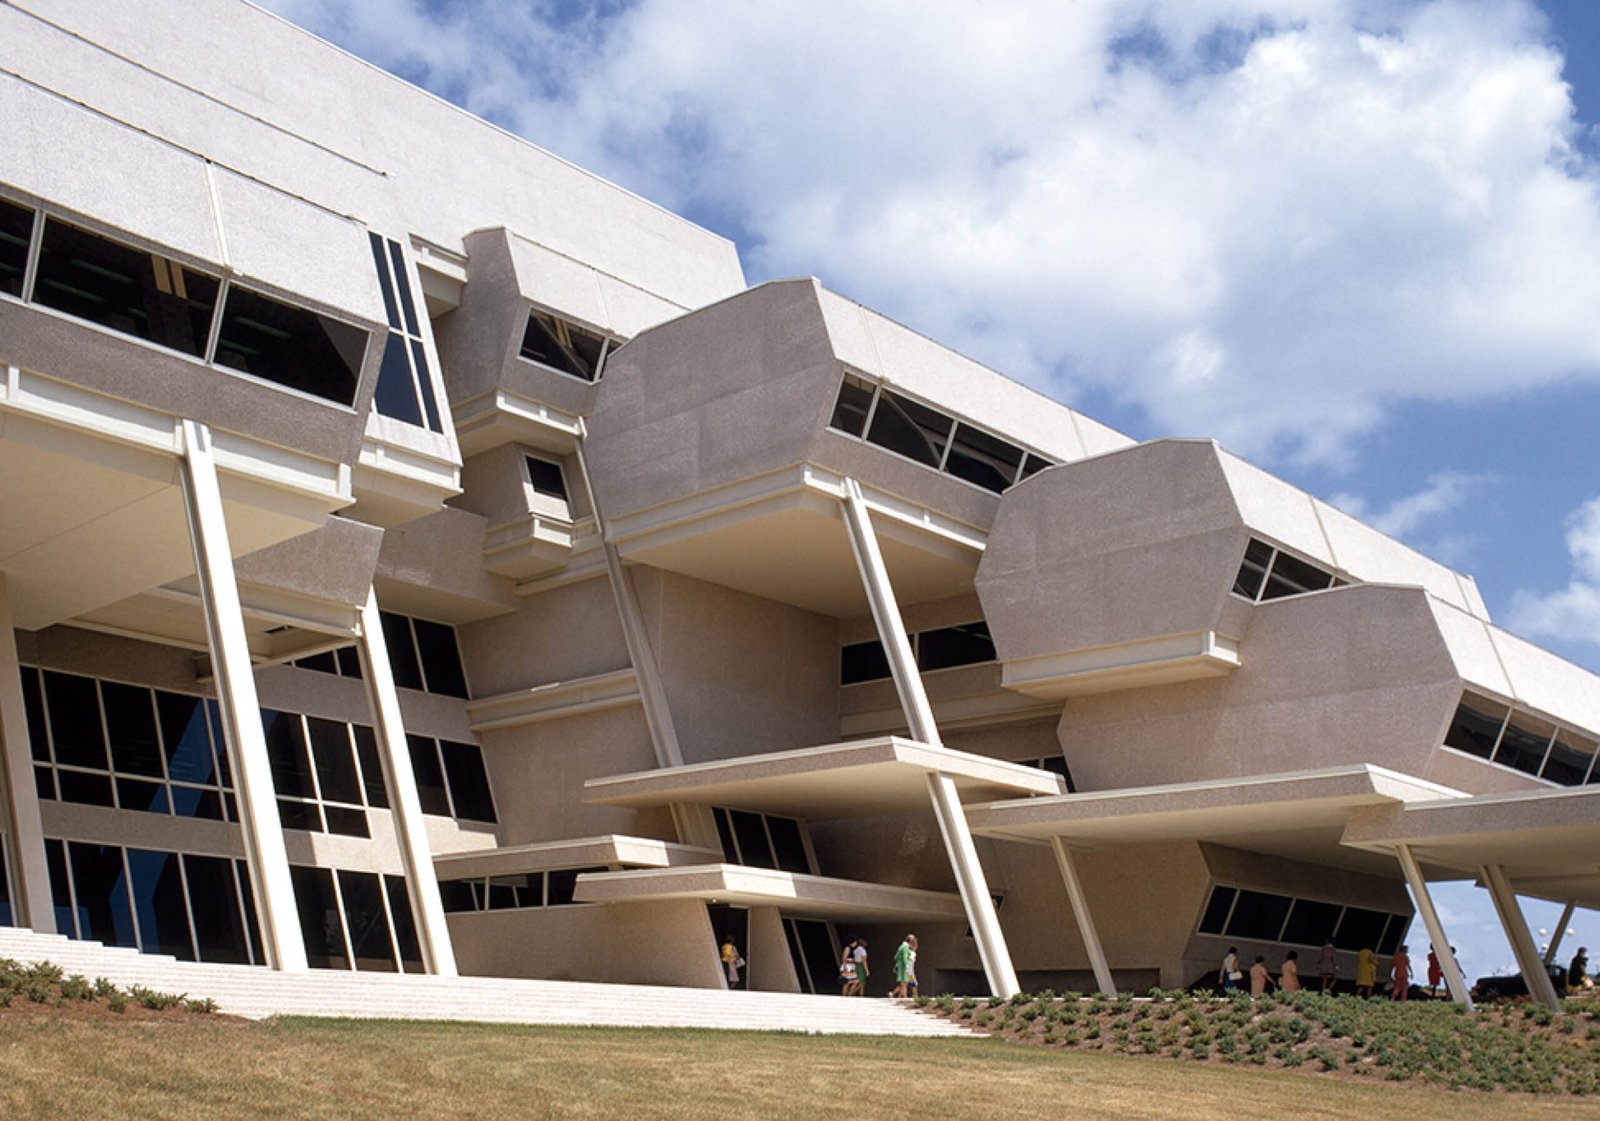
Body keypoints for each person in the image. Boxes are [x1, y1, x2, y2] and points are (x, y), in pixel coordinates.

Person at [893, 933, 918, 998]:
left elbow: (896, 957)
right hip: (904, 967)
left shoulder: (901, 946)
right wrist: (907, 966)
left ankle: (903, 996)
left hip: (900, 966)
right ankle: (905, 998)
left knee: (903, 983)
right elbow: (904, 957)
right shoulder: (905, 947)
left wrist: (899, 962)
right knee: (904, 983)